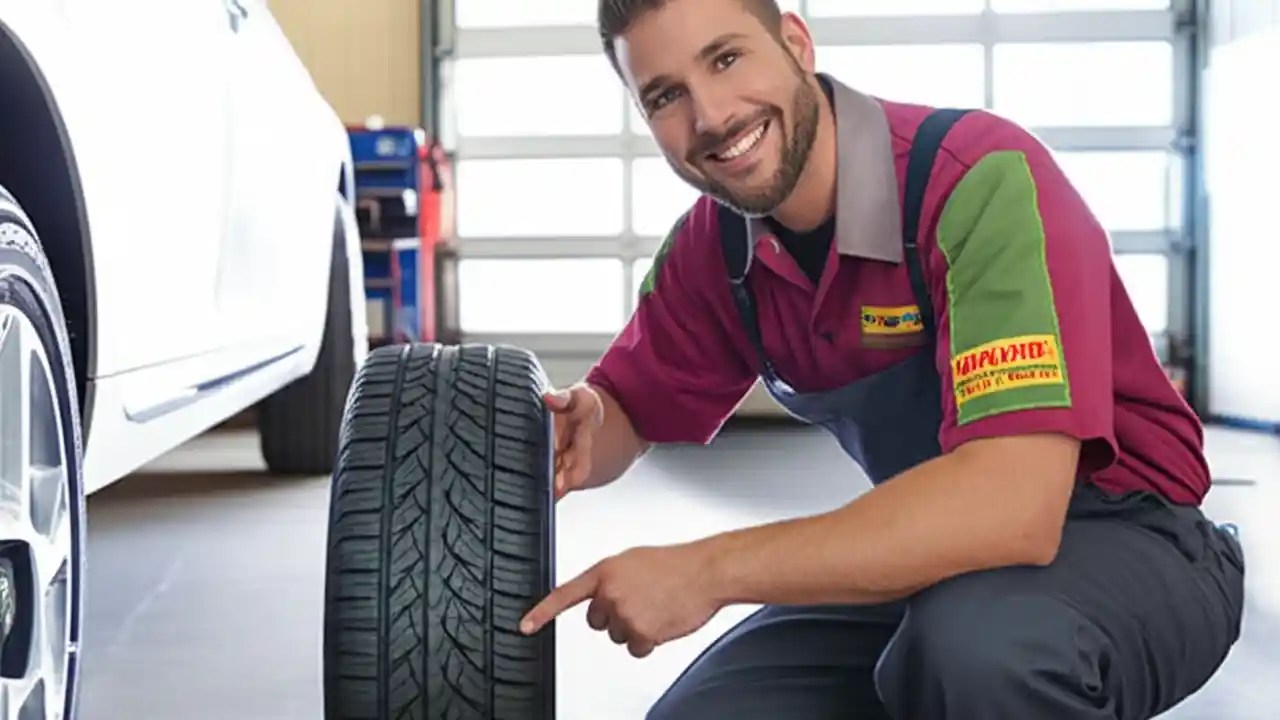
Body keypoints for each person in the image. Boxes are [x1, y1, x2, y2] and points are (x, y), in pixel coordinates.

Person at [517, 0, 1247, 717]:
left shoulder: (975, 180)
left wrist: (707, 570)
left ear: (796, 44)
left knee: (980, 652)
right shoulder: (714, 248)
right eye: (665, 96)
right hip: (931, 556)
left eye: (727, 58)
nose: (710, 116)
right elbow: (629, 407)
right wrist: (580, 431)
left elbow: (1014, 506)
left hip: (1128, 537)